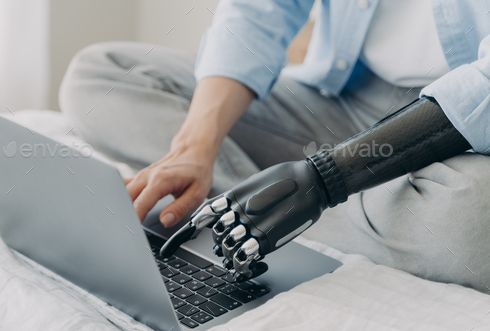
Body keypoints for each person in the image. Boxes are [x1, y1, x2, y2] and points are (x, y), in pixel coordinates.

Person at [59, 0, 490, 292]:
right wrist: (196, 143)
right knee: (102, 76)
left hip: (464, 123)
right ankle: (259, 206)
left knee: (475, 220)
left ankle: (282, 206)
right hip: (340, 97)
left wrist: (326, 178)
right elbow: (260, 10)